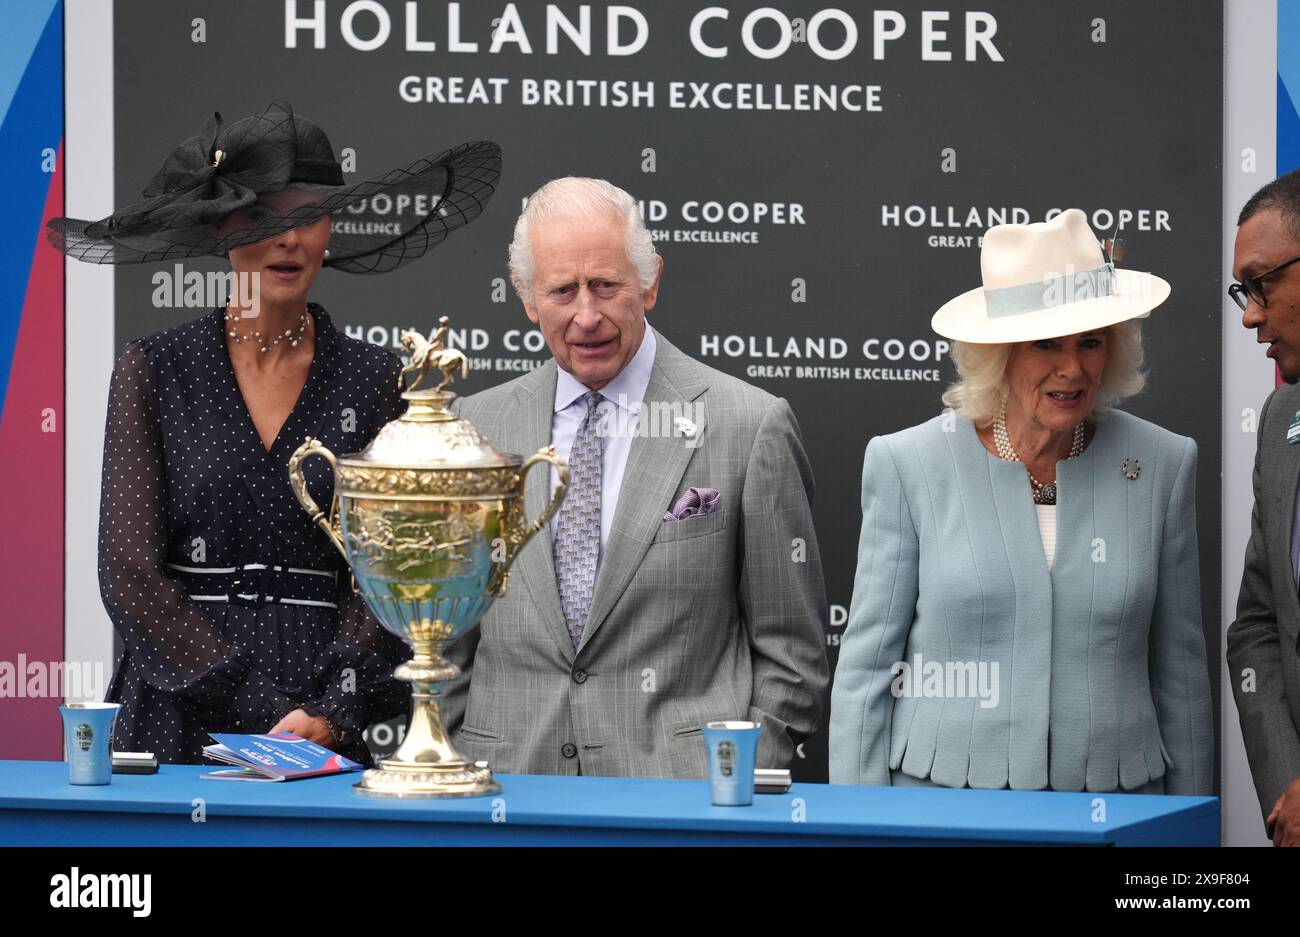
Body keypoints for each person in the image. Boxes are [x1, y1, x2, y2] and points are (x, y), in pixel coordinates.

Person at [49, 103, 501, 764]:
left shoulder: (379, 379)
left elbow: (389, 571)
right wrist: (265, 710)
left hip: (325, 722)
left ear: (331, 228)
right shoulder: (153, 369)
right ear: (220, 226)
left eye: (309, 214)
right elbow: (129, 575)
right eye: (265, 215)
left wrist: (326, 711)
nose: (289, 238)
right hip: (180, 710)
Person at [439, 177, 829, 777]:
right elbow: (446, 637)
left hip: (683, 803)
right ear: (526, 298)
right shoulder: (472, 426)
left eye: (606, 286)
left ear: (649, 284)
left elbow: (791, 651)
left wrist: (737, 778)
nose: (586, 316)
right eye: (562, 290)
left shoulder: (747, 425)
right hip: (505, 790)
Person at [829, 209, 1213, 794]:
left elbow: (1181, 674)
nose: (1073, 367)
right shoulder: (908, 464)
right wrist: (858, 827)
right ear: (998, 351)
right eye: (1046, 343)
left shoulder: (1162, 464)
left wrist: (1189, 839)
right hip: (947, 810)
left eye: (1091, 342)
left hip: (1117, 809)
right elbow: (866, 671)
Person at [1226, 169, 1300, 845]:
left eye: (1261, 284)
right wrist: (1289, 787)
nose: (1249, 314)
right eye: (1240, 292)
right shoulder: (1280, 419)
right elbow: (1258, 625)